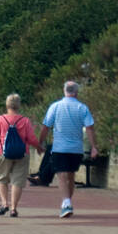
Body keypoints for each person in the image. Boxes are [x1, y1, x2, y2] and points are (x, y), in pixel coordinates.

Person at [39, 80, 98, 218]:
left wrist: (40, 142)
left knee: (62, 175)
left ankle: (66, 203)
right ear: (76, 92)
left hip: (60, 147)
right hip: (76, 149)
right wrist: (94, 146)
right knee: (70, 176)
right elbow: (89, 128)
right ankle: (67, 203)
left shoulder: (55, 106)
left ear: (64, 91)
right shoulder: (82, 108)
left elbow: (46, 126)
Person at [0, 93, 40, 217]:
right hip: (22, 154)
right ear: (18, 105)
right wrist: (39, 147)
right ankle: (13, 208)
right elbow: (31, 138)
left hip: (2, 153)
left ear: (7, 105)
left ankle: (4, 203)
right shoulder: (25, 120)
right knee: (17, 181)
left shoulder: (0, 119)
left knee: (1, 178)